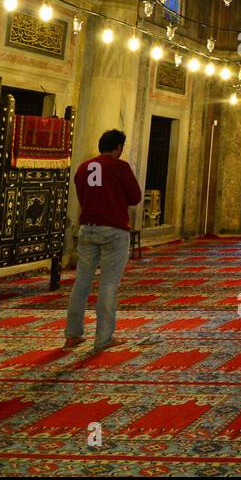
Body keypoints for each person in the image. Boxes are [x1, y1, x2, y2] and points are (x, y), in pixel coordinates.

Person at [65, 129, 142, 351]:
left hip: (87, 229)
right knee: (108, 284)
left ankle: (72, 334)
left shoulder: (83, 167)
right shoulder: (119, 166)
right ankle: (103, 338)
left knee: (82, 282)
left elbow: (82, 194)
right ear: (118, 147)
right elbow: (135, 197)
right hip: (114, 230)